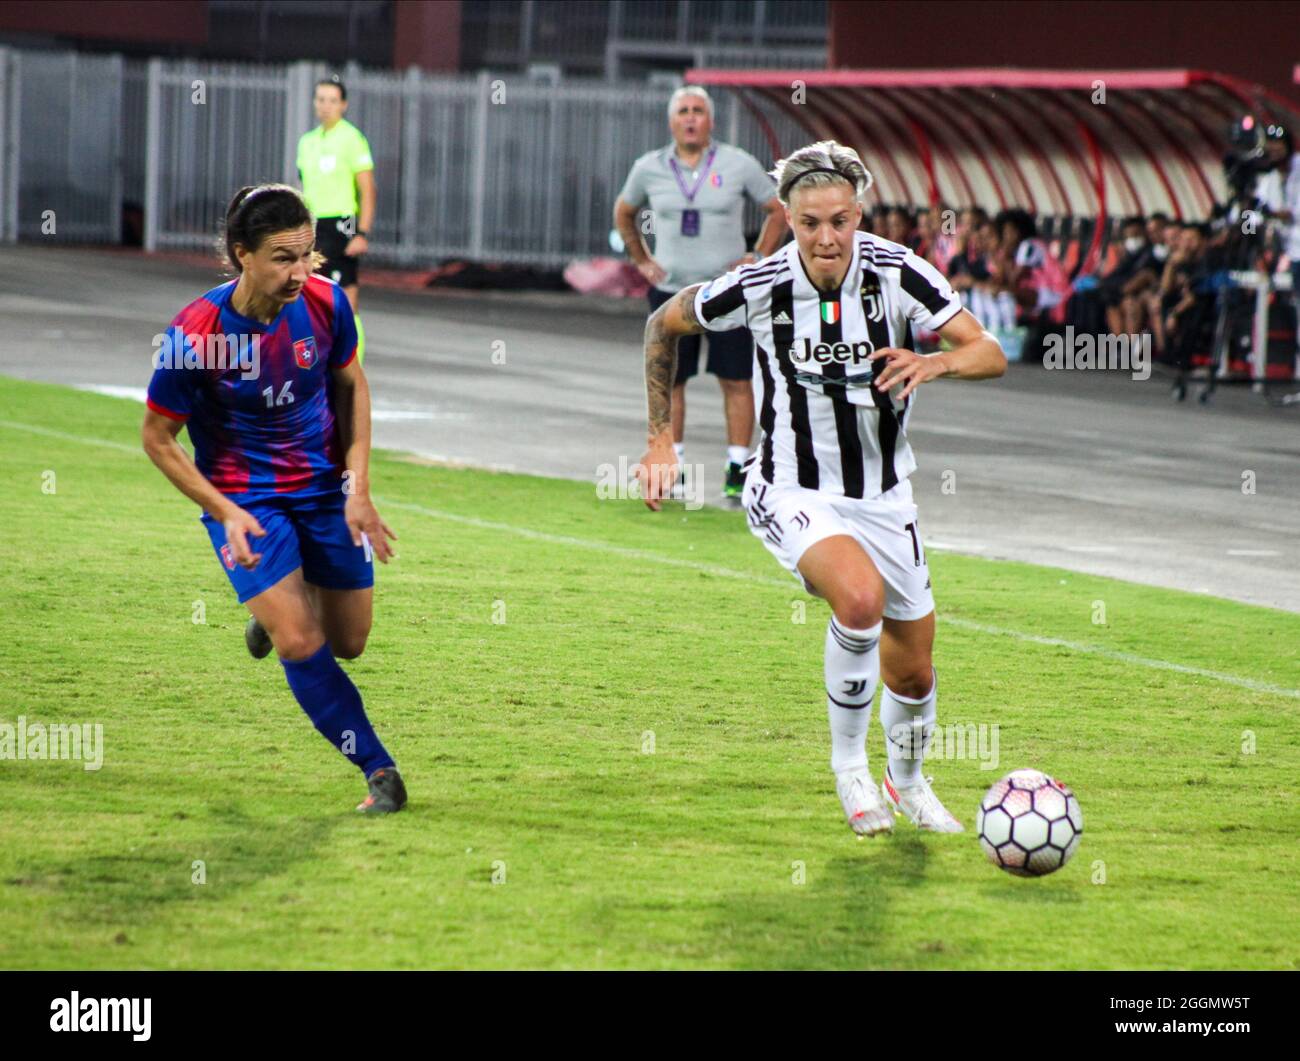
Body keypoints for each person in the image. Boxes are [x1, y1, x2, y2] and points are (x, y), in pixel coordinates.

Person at [636, 141, 1007, 836]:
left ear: (858, 214)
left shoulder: (900, 274)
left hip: (885, 495)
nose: (826, 237)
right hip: (788, 486)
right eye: (810, 223)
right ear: (788, 218)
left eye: (839, 221)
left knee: (916, 672)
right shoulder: (761, 284)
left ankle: (910, 782)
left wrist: (937, 363)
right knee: (858, 598)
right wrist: (661, 439)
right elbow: (665, 323)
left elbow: (990, 352)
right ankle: (850, 771)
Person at [140, 184, 406, 815]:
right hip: (245, 502)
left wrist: (358, 486)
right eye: (284, 258)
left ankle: (273, 602)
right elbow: (157, 439)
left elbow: (352, 387)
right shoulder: (196, 332)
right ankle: (378, 768)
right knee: (299, 638)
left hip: (322, 489)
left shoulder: (326, 303)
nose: (301, 271)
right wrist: (225, 508)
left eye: (308, 254)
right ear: (242, 255)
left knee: (351, 642)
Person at [614, 85, 787, 499]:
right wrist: (641, 259)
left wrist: (759, 256)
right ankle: (673, 464)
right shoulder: (650, 167)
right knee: (672, 379)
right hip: (671, 291)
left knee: (737, 379)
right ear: (672, 121)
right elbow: (624, 211)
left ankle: (736, 467)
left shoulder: (737, 163)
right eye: (683, 112)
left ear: (711, 121)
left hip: (727, 291)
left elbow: (778, 209)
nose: (690, 118)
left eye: (698, 111)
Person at [297, 75, 375, 360]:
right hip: (314, 225)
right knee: (310, 296)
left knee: (345, 300)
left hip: (342, 222)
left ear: (343, 104)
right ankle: (316, 362)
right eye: (320, 100)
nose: (325, 106)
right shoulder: (307, 142)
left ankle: (355, 365)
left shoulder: (352, 139)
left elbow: (367, 189)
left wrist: (362, 232)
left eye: (332, 100)